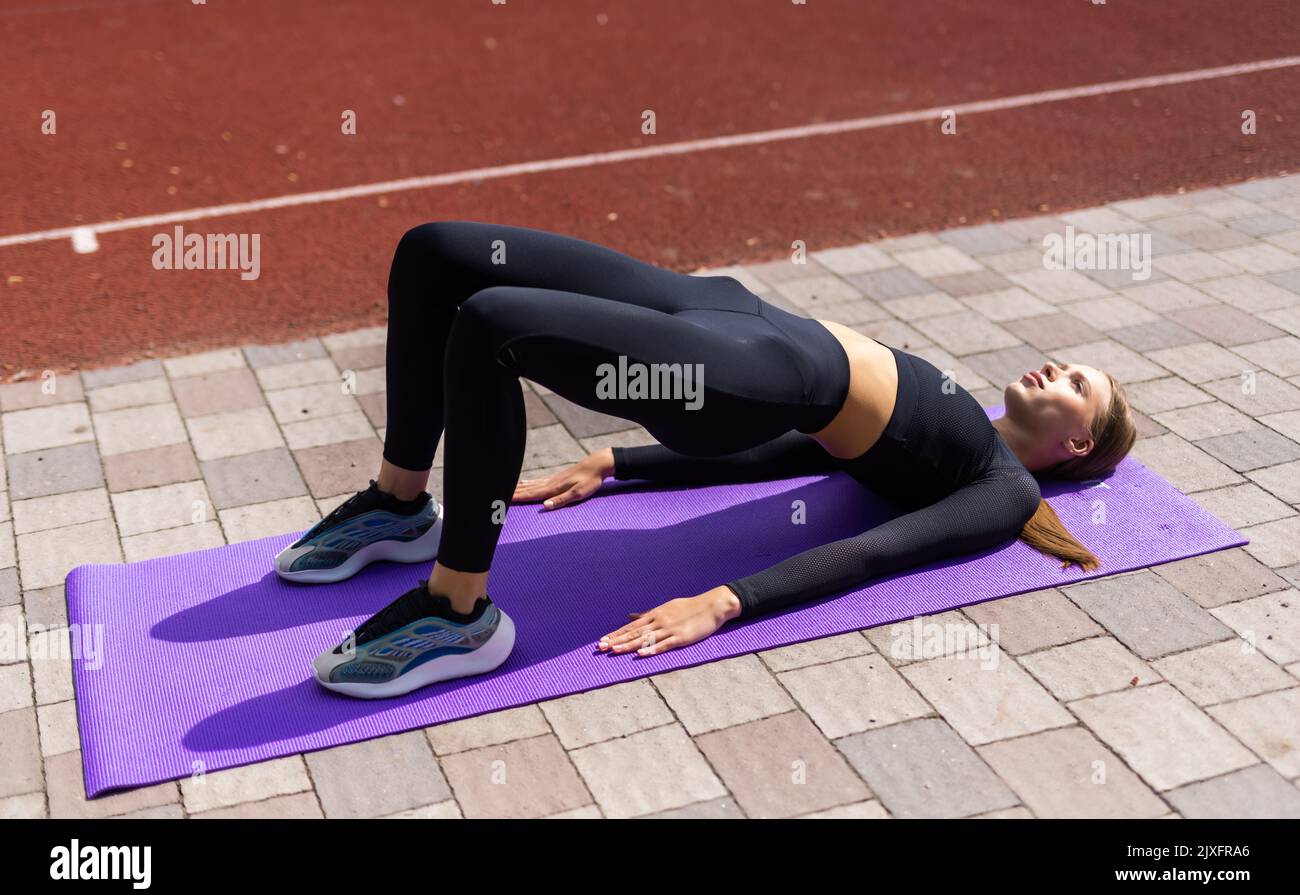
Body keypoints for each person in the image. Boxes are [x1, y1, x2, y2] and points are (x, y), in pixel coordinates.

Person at [278, 220, 1136, 699]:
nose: (1054, 368)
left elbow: (879, 552)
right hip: (732, 311)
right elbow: (808, 454)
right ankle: (399, 504)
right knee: (432, 252)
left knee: (495, 324)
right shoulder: (963, 433)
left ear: (1078, 443)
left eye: (1075, 384)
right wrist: (621, 462)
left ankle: (459, 609)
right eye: (1065, 362)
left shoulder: (1003, 487)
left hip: (748, 375)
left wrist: (727, 601)